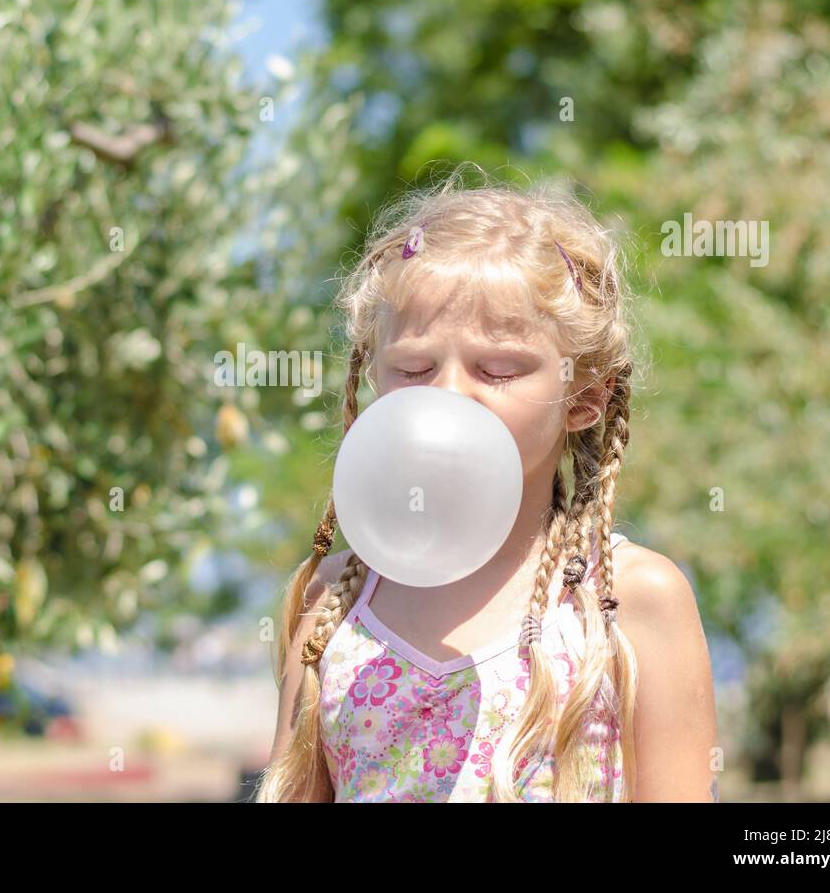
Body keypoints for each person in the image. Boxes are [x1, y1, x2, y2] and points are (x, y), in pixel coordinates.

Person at [256, 166, 718, 802]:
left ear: (584, 395)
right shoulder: (334, 602)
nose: (450, 395)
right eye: (414, 367)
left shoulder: (630, 601)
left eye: (498, 370)